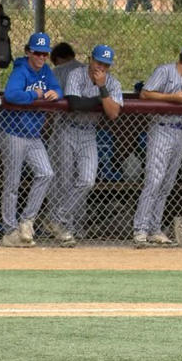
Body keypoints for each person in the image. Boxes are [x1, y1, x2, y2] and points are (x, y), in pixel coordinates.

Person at [45, 45, 123, 247]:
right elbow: (74, 104)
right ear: (90, 59)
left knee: (87, 180)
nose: (101, 67)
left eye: (106, 65)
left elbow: (113, 113)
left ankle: (57, 218)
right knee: (64, 181)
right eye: (98, 62)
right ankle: (65, 230)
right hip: (67, 130)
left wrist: (102, 88)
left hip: (89, 133)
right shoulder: (76, 74)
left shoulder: (112, 83)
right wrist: (100, 101)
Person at [132, 41, 182, 246]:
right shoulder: (165, 71)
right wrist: (172, 98)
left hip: (180, 131)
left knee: (167, 183)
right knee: (154, 181)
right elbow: (145, 94)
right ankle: (140, 230)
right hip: (161, 128)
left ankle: (154, 229)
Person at [0, 32, 62, 248]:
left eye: (45, 54)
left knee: (46, 173)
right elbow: (11, 94)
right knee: (12, 183)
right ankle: (9, 231)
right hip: (14, 133)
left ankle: (27, 220)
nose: (41, 58)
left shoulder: (46, 71)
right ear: (28, 52)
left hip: (33, 135)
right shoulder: (20, 70)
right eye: (37, 53)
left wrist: (55, 93)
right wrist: (34, 95)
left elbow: (58, 88)